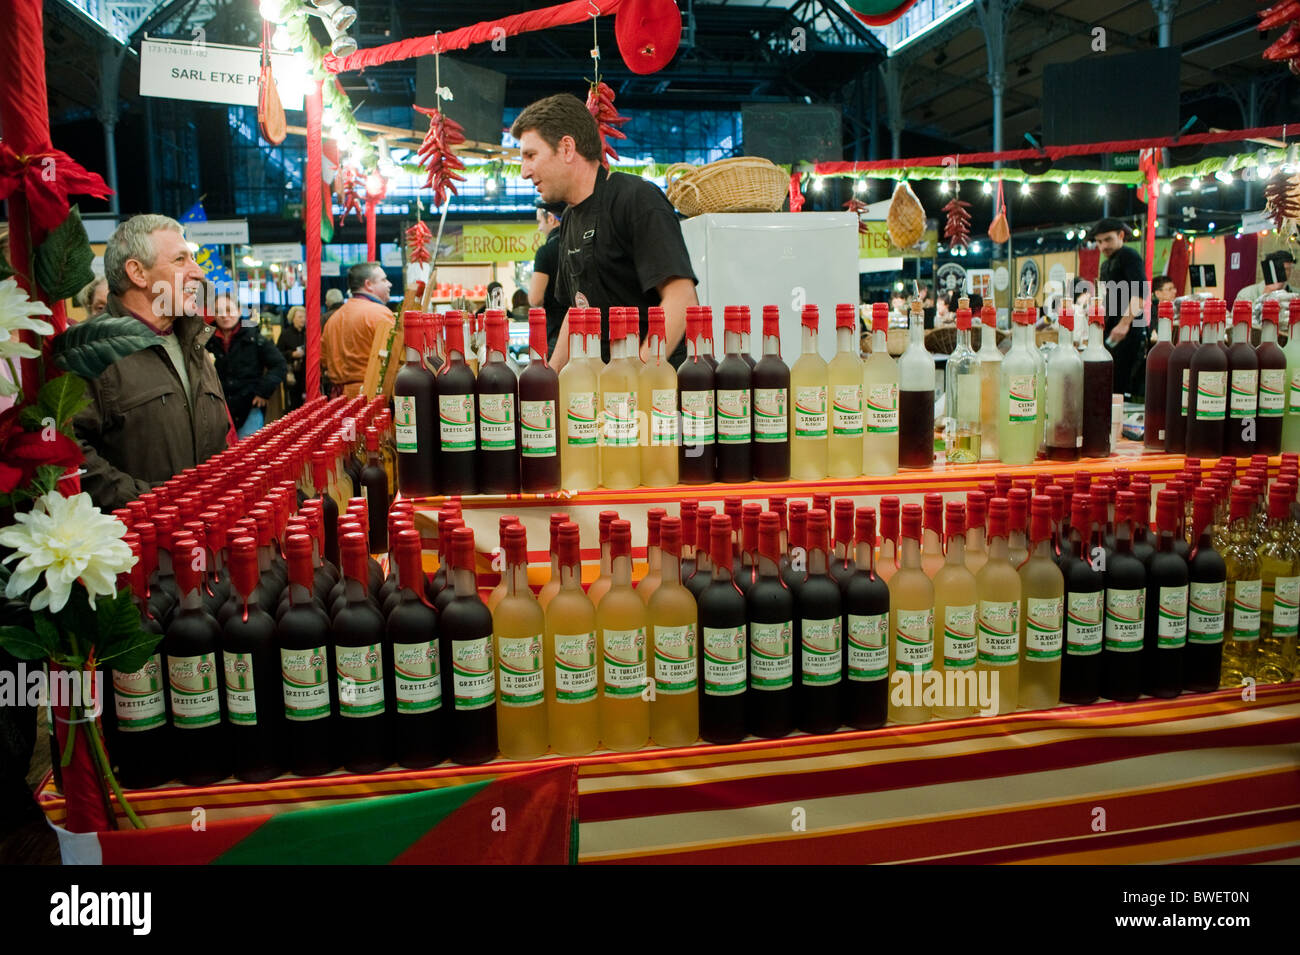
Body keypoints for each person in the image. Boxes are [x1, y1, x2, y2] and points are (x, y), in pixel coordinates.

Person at [512, 93, 698, 367]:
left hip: (658, 389)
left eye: (530, 155)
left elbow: (681, 299)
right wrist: (550, 379)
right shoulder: (570, 221)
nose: (524, 172)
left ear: (566, 148)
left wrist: (639, 378)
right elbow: (574, 314)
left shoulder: (635, 199)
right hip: (601, 388)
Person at [65, 214, 232, 512]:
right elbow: (67, 453)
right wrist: (154, 504)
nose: (198, 272)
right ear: (138, 273)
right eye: (181, 260)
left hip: (206, 538)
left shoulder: (194, 342)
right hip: (135, 547)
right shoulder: (87, 350)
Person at [207, 292, 286, 437]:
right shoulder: (206, 339)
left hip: (249, 408)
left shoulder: (253, 337)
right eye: (219, 311)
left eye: (229, 310)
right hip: (217, 410)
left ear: (238, 311)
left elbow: (279, 365)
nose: (224, 315)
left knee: (249, 454)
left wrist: (263, 391)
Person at [1088, 217, 1146, 397]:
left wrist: (1124, 324)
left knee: (1120, 385)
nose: (1103, 246)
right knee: (1108, 382)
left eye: (1108, 239)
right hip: (1111, 329)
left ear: (1121, 235)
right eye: (1099, 241)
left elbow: (1140, 293)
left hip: (1128, 330)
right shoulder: (1106, 263)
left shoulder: (1129, 256)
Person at [320, 261, 394, 396]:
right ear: (368, 285)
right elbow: (395, 358)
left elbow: (324, 361)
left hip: (339, 399)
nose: (389, 284)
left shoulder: (333, 319)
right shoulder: (379, 314)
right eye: (384, 280)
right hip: (371, 395)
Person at [529, 200, 566, 354]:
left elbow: (535, 299)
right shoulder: (578, 245)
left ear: (550, 218)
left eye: (540, 222)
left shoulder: (545, 252)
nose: (539, 228)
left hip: (556, 334)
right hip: (584, 331)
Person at [278, 304, 308, 409]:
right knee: (294, 405)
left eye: (304, 317)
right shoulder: (285, 334)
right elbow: (278, 354)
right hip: (292, 376)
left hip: (307, 375)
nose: (303, 320)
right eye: (300, 317)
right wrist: (292, 354)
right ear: (292, 318)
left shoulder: (308, 333)